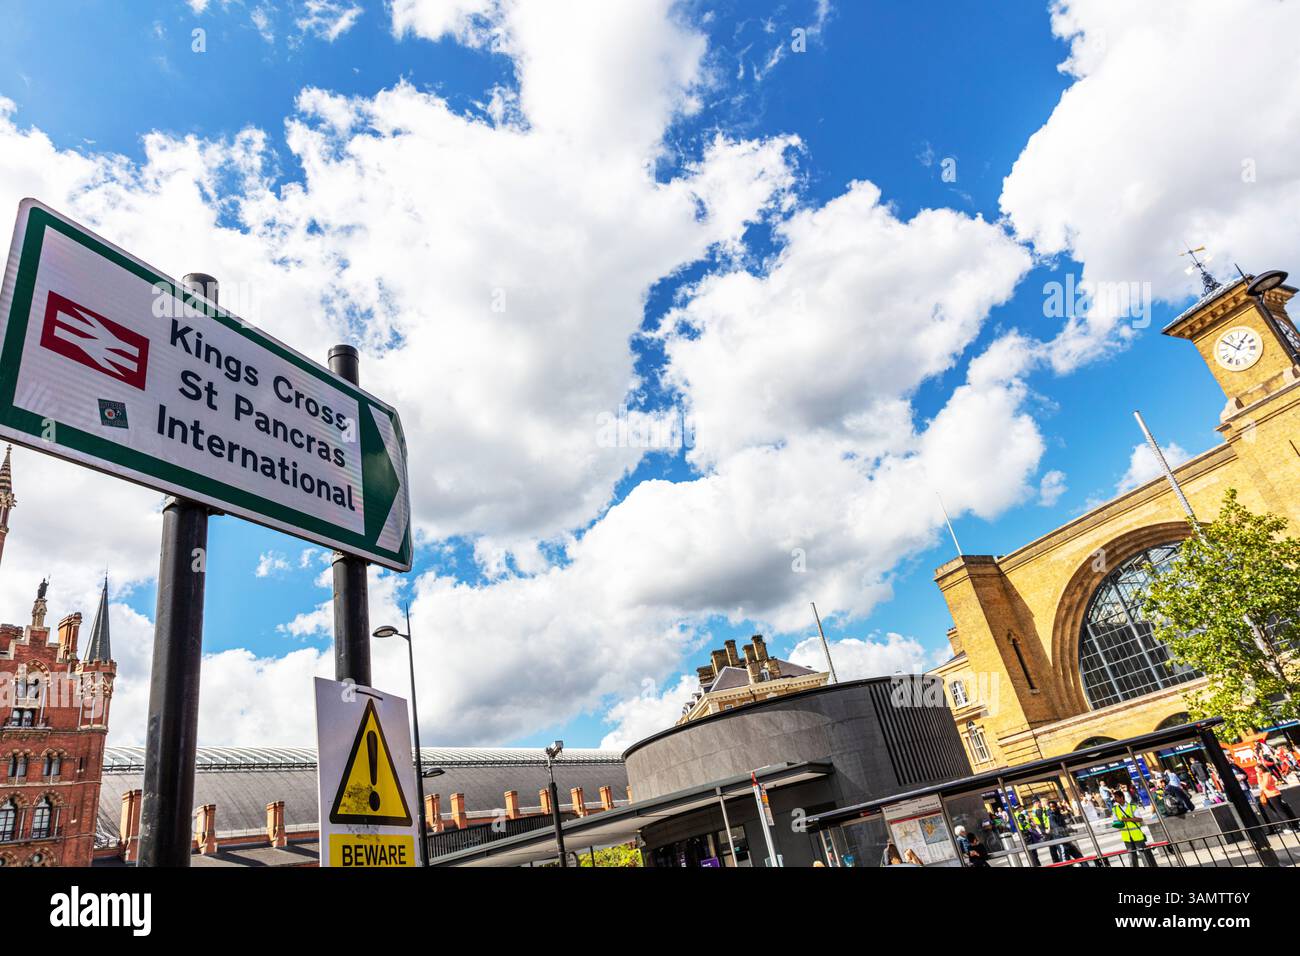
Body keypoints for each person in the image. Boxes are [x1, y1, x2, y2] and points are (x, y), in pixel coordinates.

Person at [1114, 790, 1157, 867]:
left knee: (1143, 854)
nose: (1115, 799)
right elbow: (1115, 821)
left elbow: (1140, 819)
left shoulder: (1132, 806)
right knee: (1131, 856)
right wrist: (1117, 823)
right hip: (1126, 837)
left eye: (1116, 797)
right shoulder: (1115, 809)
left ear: (1122, 797)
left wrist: (1127, 819)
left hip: (1137, 835)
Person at [1256, 765, 1300, 834]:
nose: (1257, 772)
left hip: (1273, 795)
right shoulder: (1262, 776)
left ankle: (1291, 827)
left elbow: (1264, 786)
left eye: (1257, 770)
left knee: (1280, 811)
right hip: (1268, 795)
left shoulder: (1266, 775)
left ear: (1261, 769)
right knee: (1276, 812)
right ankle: (1288, 826)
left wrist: (1259, 777)